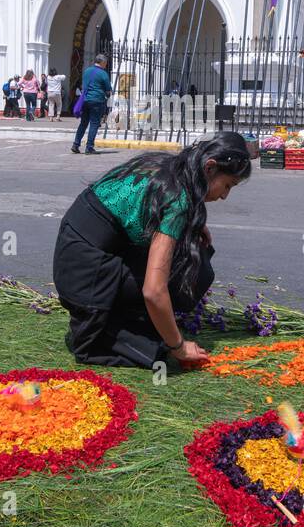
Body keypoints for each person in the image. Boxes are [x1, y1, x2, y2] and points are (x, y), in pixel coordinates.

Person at [54, 132, 251, 368]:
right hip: (85, 276)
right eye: (227, 185)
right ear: (209, 168)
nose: (225, 196)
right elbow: (153, 291)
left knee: (194, 254)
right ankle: (110, 324)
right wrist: (178, 346)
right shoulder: (177, 199)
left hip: (74, 257)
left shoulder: (168, 166)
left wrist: (192, 225)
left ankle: (134, 317)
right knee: (189, 271)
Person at [71, 54, 112, 155]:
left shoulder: (87, 71)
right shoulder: (103, 73)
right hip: (97, 100)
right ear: (102, 62)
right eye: (105, 63)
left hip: (85, 100)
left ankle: (76, 144)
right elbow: (108, 88)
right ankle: (89, 147)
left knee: (83, 123)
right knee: (94, 123)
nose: (106, 65)